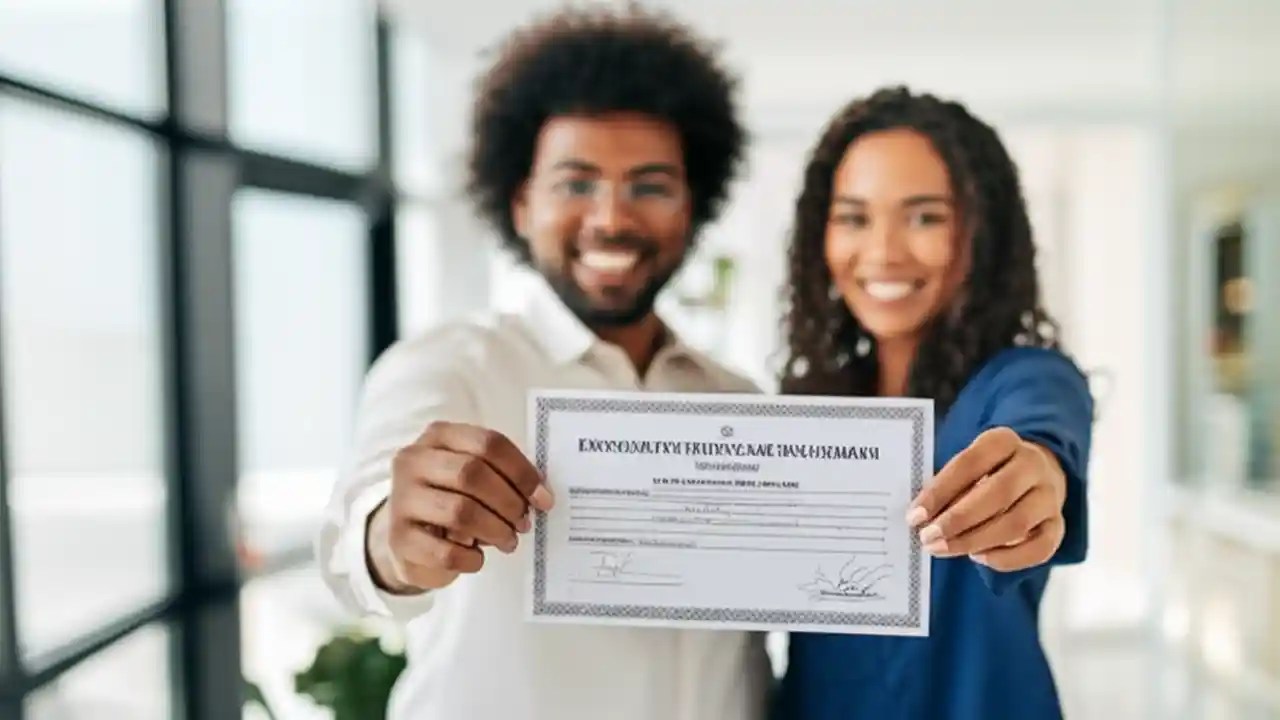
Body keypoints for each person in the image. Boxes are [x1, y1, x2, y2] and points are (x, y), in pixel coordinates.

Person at [316, 6, 772, 720]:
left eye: (650, 186)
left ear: (691, 209)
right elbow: (364, 540)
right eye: (576, 183)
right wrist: (394, 537)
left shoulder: (739, 400)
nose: (612, 218)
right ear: (523, 205)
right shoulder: (448, 365)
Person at [770, 87, 1094, 720]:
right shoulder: (809, 402)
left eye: (925, 217)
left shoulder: (1027, 379)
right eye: (854, 217)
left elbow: (1040, 442)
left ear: (982, 234)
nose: (884, 251)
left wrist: (1034, 478)